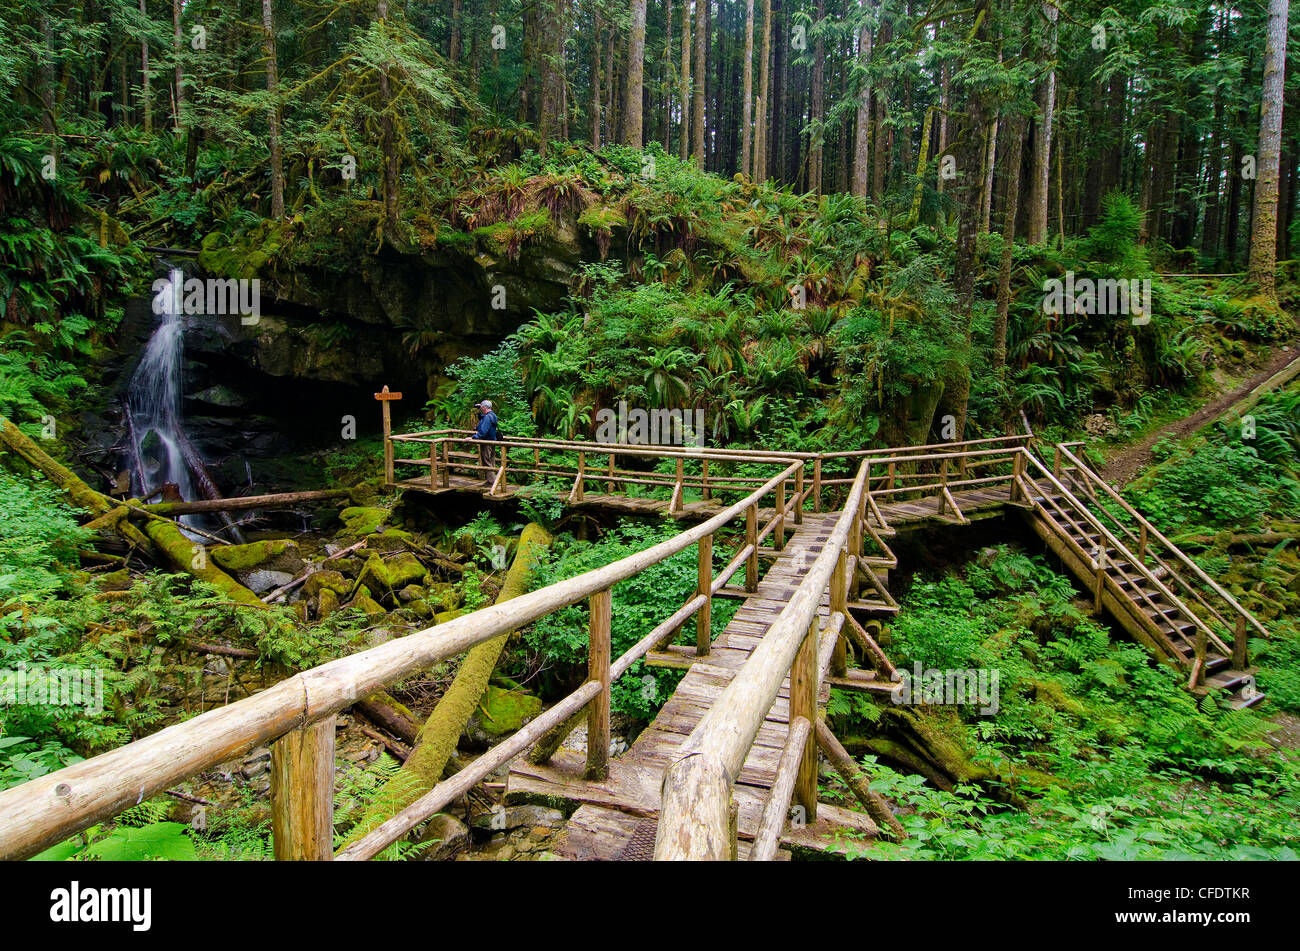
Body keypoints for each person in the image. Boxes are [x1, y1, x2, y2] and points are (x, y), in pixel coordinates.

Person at [470, 399, 500, 484]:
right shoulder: (492, 415)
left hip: (486, 442)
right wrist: (479, 412)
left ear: (484, 407)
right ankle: (493, 479)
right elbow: (482, 418)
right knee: (491, 460)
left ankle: (492, 481)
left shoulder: (487, 417)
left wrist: (473, 437)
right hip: (492, 441)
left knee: (486, 460)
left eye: (481, 407)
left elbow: (483, 432)